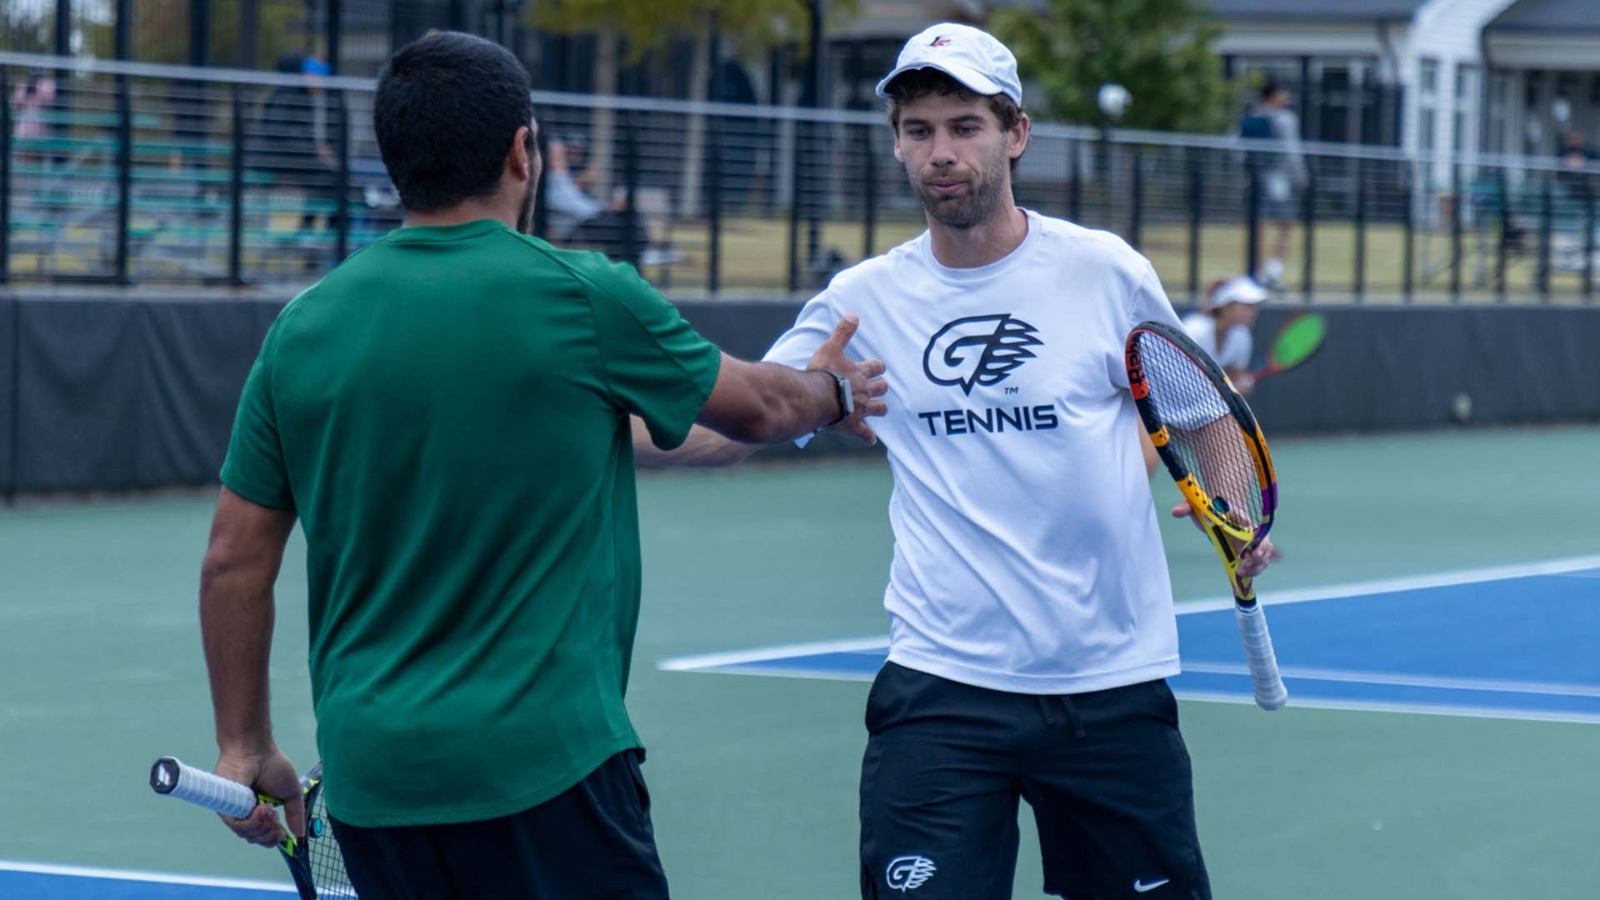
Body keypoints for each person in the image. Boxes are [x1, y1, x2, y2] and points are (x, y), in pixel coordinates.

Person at [198, 31, 887, 899]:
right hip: (549, 773)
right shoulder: (584, 294)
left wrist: (246, 746)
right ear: (523, 151)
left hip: (377, 783)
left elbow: (233, 560)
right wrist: (834, 390)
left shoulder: (303, 326)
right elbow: (759, 406)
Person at [634, 22, 1273, 900]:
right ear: (897, 143)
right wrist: (590, 427)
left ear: (1015, 134)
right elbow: (741, 423)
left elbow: (1204, 418)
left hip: (1111, 689)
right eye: (920, 129)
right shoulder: (863, 301)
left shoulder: (1103, 273)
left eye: (966, 126)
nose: (942, 152)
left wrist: (1234, 510)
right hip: (941, 690)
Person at [252, 52, 345, 236]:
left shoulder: (295, 95)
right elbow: (277, 131)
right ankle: (313, 231)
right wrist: (314, 151)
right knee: (329, 176)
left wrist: (316, 150)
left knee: (333, 177)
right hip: (276, 159)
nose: (316, 79)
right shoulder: (286, 96)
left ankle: (313, 230)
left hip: (288, 157)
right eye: (310, 74)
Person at [1240, 80, 1306, 289]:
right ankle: (1273, 272)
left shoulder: (1252, 115)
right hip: (1278, 177)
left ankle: (1256, 273)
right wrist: (1301, 177)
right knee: (1286, 223)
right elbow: (1290, 150)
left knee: (1259, 225)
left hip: (1255, 177)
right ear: (1274, 95)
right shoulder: (1284, 119)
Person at [1181, 275, 1267, 395]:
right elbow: (1183, 380)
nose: (1253, 313)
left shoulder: (1242, 335)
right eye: (1247, 306)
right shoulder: (1195, 330)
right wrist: (1229, 389)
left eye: (1254, 307)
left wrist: (1240, 383)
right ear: (1226, 306)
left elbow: (1236, 374)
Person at [10, 68, 57, 165]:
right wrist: (26, 91)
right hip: (26, 120)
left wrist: (40, 88)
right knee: (20, 148)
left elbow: (50, 101)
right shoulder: (24, 85)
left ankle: (46, 172)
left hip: (42, 121)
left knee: (44, 150)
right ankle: (16, 169)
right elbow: (15, 104)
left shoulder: (49, 85)